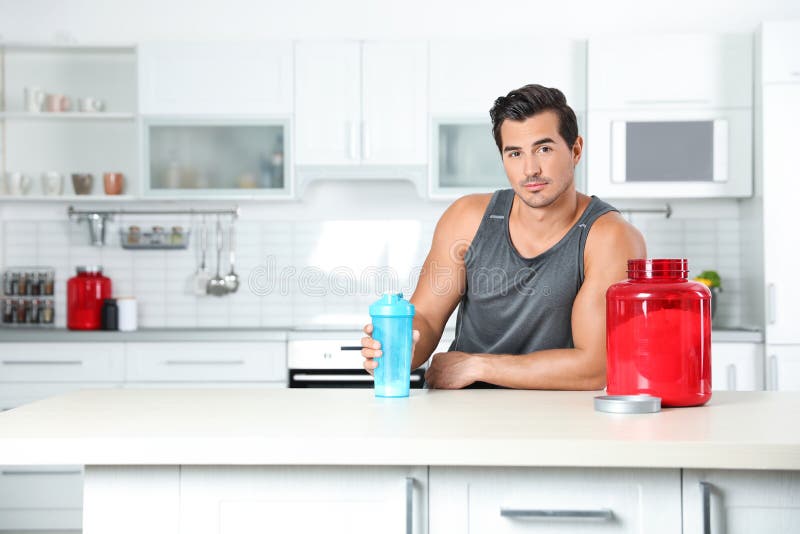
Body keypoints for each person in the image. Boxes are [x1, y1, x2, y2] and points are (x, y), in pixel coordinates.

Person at [361, 84, 646, 390]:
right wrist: (398, 345)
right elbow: (427, 319)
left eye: (544, 149)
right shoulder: (467, 218)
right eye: (515, 153)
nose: (530, 169)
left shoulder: (610, 237)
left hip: (559, 420)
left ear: (575, 150)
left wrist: (477, 366)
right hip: (463, 416)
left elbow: (594, 368)